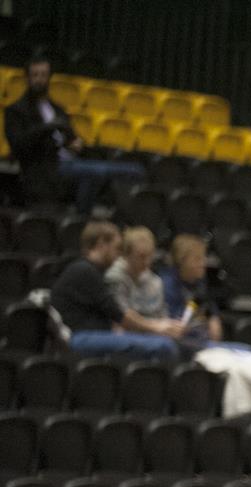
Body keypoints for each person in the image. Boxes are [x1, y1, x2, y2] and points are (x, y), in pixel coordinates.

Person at [3, 55, 143, 211]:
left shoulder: (57, 109)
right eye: (35, 75)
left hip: (70, 160)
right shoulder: (16, 111)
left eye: (43, 75)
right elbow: (18, 144)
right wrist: (46, 128)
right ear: (27, 77)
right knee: (96, 173)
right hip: (46, 168)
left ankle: (115, 217)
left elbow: (71, 137)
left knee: (133, 170)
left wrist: (76, 144)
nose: (39, 80)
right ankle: (82, 219)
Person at [50, 221, 183, 360]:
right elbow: (119, 315)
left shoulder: (92, 270)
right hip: (78, 336)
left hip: (91, 334)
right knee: (163, 346)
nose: (119, 255)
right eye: (117, 248)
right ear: (102, 244)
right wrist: (157, 327)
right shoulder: (84, 270)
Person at [160, 235, 226, 346]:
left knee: (246, 350)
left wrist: (213, 318)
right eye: (197, 259)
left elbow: (209, 306)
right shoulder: (167, 285)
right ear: (182, 261)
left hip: (201, 340)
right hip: (182, 343)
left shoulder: (199, 282)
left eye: (203, 258)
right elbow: (177, 324)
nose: (203, 263)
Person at [105, 227, 169, 323]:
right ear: (126, 255)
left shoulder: (155, 282)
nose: (147, 262)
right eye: (141, 257)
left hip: (153, 331)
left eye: (150, 255)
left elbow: (161, 315)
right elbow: (121, 318)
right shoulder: (114, 278)